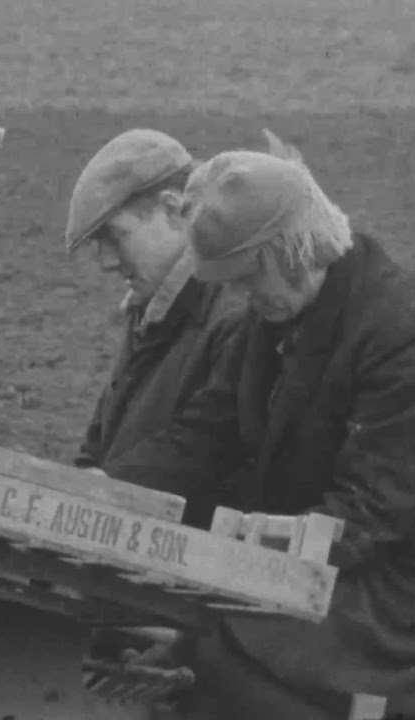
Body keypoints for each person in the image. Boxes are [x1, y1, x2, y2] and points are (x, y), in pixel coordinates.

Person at [104, 132, 415, 720]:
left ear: (287, 255)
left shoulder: (410, 331)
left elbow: (371, 512)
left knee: (222, 655)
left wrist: (246, 560)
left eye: (245, 279)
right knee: (195, 632)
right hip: (359, 541)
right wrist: (104, 491)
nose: (239, 295)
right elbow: (204, 438)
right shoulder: (268, 321)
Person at [63, 128, 246, 530]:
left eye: (115, 236)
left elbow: (205, 446)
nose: (106, 262)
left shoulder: (236, 315)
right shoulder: (147, 311)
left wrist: (109, 488)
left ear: (172, 210)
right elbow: (100, 440)